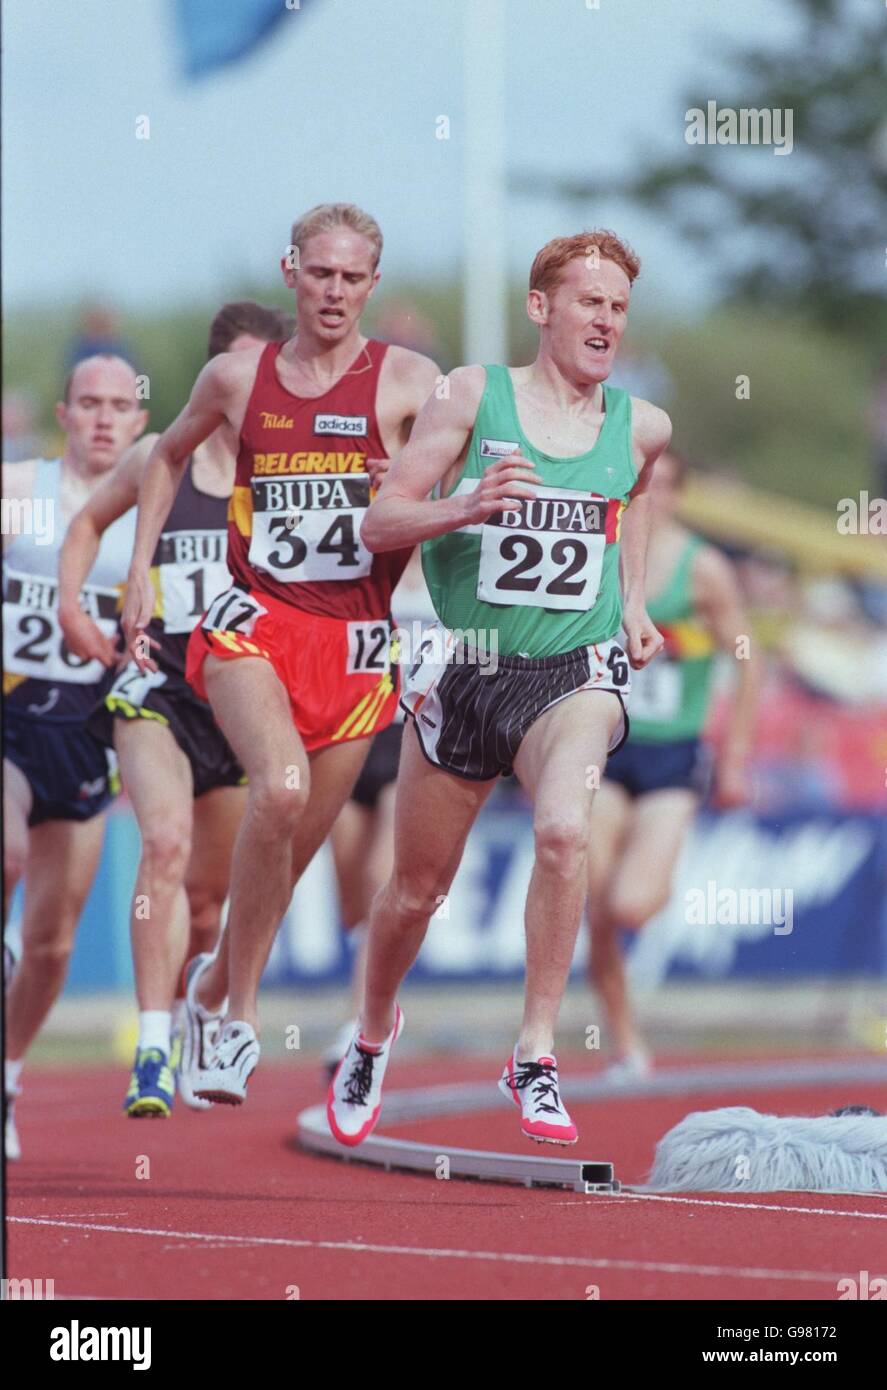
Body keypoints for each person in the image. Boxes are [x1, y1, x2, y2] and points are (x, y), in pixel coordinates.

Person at [327, 228, 671, 1148]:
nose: (606, 321)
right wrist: (466, 505)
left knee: (564, 832)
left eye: (618, 308)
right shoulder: (471, 395)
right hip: (465, 667)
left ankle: (534, 1054)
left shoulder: (640, 425)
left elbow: (628, 504)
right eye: (590, 303)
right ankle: (371, 1030)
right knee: (413, 894)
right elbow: (380, 520)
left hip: (573, 671)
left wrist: (631, 604)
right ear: (541, 308)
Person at [121, 204, 440, 1104]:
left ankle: (213, 983)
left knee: (288, 855)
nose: (334, 292)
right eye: (320, 273)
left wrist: (411, 487)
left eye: (352, 278)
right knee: (282, 788)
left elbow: (454, 489)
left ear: (372, 285)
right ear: (291, 271)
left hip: (356, 643)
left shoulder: (412, 382)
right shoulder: (236, 375)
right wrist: (139, 569)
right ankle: (236, 1023)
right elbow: (164, 457)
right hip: (252, 623)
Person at [58, 303, 291, 1117]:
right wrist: (72, 607)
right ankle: (151, 1046)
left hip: (240, 698)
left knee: (206, 901)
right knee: (163, 842)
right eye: (243, 376)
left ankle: (198, 1005)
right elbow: (88, 521)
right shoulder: (163, 459)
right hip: (155, 689)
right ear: (212, 379)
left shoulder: (289, 479)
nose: (257, 392)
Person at [3, 356, 148, 1158]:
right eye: (88, 402)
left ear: (138, 421)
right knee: (6, 848)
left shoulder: (147, 508)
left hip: (89, 739)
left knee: (54, 942)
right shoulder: (22, 492)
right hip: (11, 721)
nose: (102, 417)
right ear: (63, 413)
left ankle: (9, 1078)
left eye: (119, 405)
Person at [586, 449, 760, 1081]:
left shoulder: (703, 567)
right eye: (641, 487)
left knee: (629, 904)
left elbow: (746, 655)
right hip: (602, 746)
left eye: (663, 488)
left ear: (682, 497)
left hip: (673, 752)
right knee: (593, 900)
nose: (650, 498)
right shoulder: (601, 554)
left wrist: (735, 756)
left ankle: (654, 875)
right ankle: (624, 1039)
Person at [323, 549, 437, 1076]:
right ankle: (372, 979)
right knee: (350, 896)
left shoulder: (452, 552)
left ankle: (358, 1023)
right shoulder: (361, 552)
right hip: (351, 730)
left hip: (413, 735)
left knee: (378, 877)